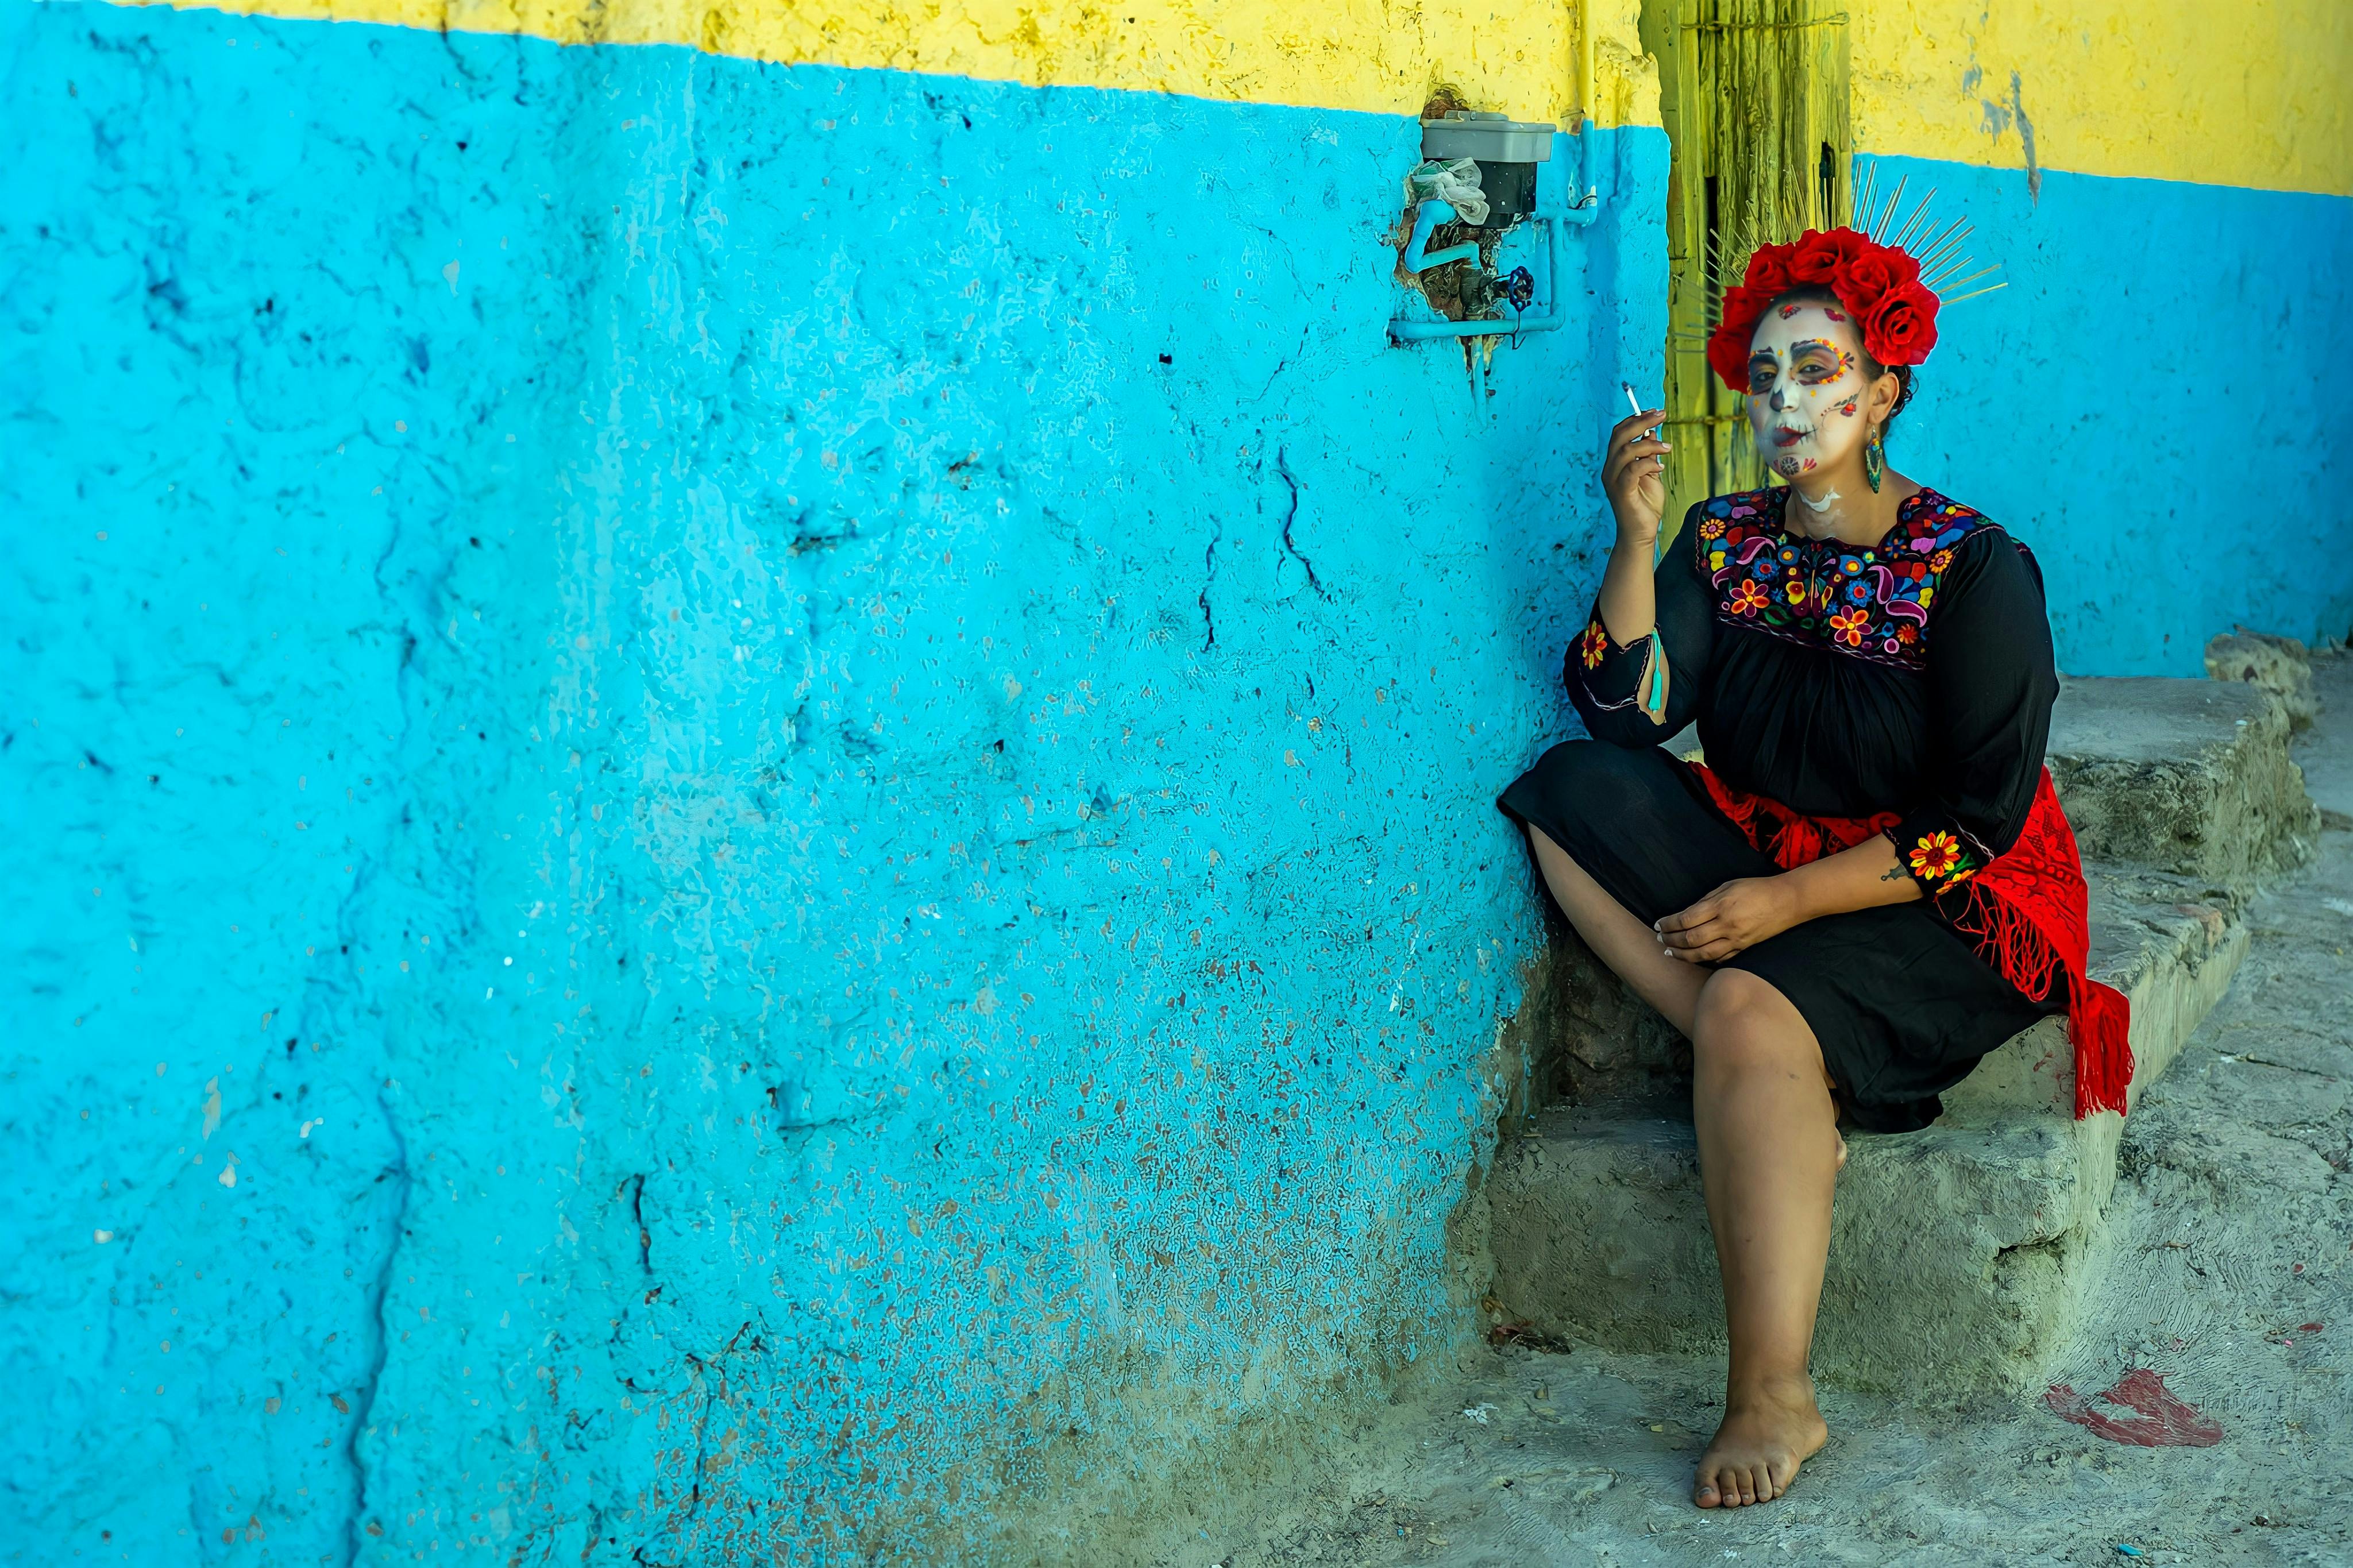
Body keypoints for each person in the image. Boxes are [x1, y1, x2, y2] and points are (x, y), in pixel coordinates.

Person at [1497, 223, 2130, 1511]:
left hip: (1940, 894)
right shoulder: (1723, 542)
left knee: (1746, 994)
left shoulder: (1970, 567)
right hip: (1770, 844)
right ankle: (1780, 1075)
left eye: (1818, 369)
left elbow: (1980, 818)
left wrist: (1780, 903)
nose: (1785, 401)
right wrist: (1631, 540)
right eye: (1764, 374)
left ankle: (1771, 1389)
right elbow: (1625, 710)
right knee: (1566, 795)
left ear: (1882, 388)